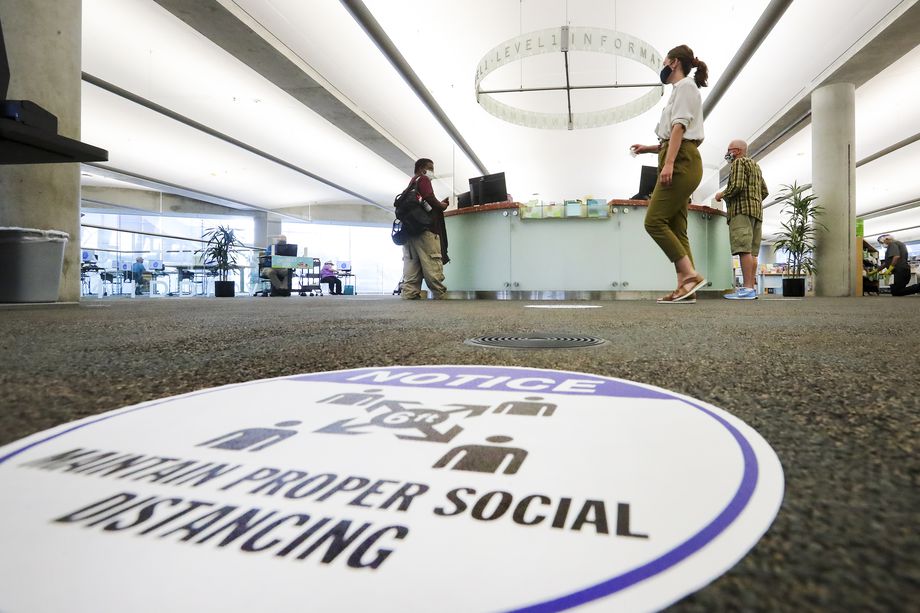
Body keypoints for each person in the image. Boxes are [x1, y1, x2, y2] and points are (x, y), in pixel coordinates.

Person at [631, 45, 709, 304]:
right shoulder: (681, 89)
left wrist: (668, 164)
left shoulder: (686, 86)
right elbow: (672, 134)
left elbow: (679, 128)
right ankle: (685, 289)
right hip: (677, 155)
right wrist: (650, 149)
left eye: (665, 61)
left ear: (674, 62)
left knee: (653, 221)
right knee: (677, 227)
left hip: (681, 160)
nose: (663, 65)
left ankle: (690, 276)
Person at [715, 139, 769, 300]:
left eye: (729, 150)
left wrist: (722, 194)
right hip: (756, 213)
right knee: (752, 252)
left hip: (741, 211)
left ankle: (746, 289)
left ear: (737, 151)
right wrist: (753, 200)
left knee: (743, 249)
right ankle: (750, 288)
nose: (728, 153)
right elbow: (764, 191)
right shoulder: (756, 166)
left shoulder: (738, 163)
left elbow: (737, 186)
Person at [401, 158, 448, 300]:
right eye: (430, 168)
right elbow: (429, 197)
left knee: (412, 265)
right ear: (422, 169)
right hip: (425, 230)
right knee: (432, 262)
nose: (432, 172)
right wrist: (442, 205)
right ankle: (440, 294)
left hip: (410, 232)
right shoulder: (423, 179)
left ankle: (409, 294)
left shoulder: (411, 184)